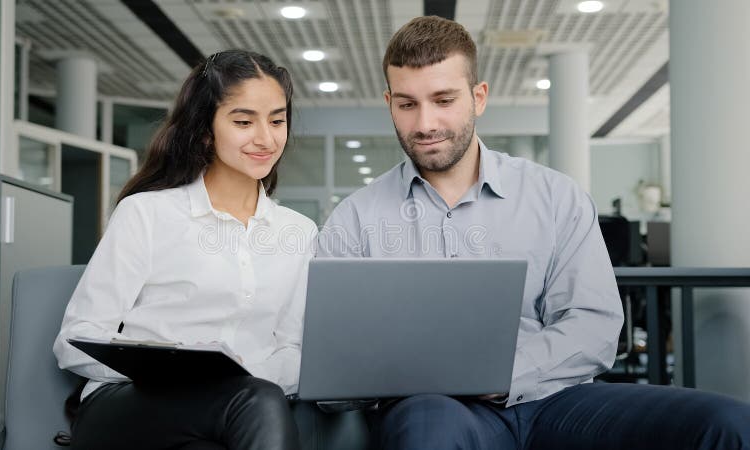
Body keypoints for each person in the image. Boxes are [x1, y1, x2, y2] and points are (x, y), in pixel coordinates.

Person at [317, 16, 750, 450]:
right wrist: (393, 378)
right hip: (435, 408)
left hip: (554, 398)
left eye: (443, 100)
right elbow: (333, 364)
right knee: (429, 430)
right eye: (407, 104)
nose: (425, 123)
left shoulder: (556, 196)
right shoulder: (355, 218)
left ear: (478, 97)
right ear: (389, 103)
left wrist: (505, 374)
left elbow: (594, 325)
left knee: (727, 424)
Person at [53, 50, 316, 450]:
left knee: (248, 406)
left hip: (238, 413)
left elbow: (293, 349)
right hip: (131, 406)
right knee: (258, 400)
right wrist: (173, 372)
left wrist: (240, 376)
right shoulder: (146, 213)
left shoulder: (299, 231)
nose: (266, 138)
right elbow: (76, 339)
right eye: (244, 122)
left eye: (277, 120)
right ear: (205, 130)